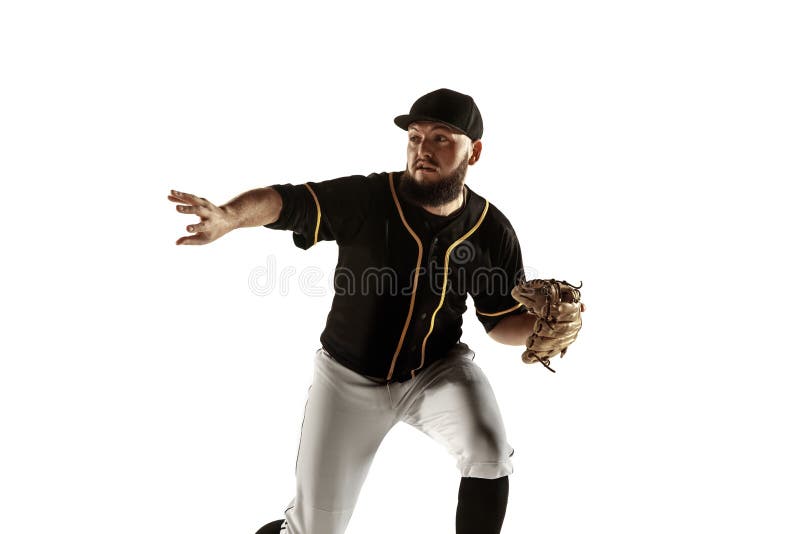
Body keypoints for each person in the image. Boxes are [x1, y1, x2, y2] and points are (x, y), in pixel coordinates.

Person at [169, 88, 552, 534]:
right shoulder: (370, 198)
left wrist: (542, 328)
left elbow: (501, 321)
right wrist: (231, 216)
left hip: (436, 371)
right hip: (347, 378)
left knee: (488, 452)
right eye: (415, 136)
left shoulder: (492, 230)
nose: (423, 150)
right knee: (314, 530)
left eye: (441, 138)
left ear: (475, 152)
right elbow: (287, 202)